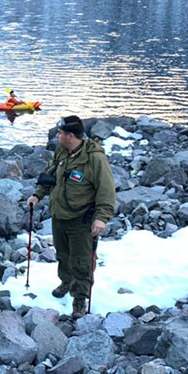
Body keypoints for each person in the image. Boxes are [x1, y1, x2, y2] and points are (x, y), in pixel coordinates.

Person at [26, 115, 115, 318]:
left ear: (71, 136)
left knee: (82, 262)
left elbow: (107, 191)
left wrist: (101, 218)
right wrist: (37, 195)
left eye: (60, 133)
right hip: (59, 216)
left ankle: (80, 299)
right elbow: (49, 175)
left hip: (81, 220)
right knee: (63, 255)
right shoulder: (61, 152)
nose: (57, 136)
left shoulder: (95, 159)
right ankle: (66, 282)